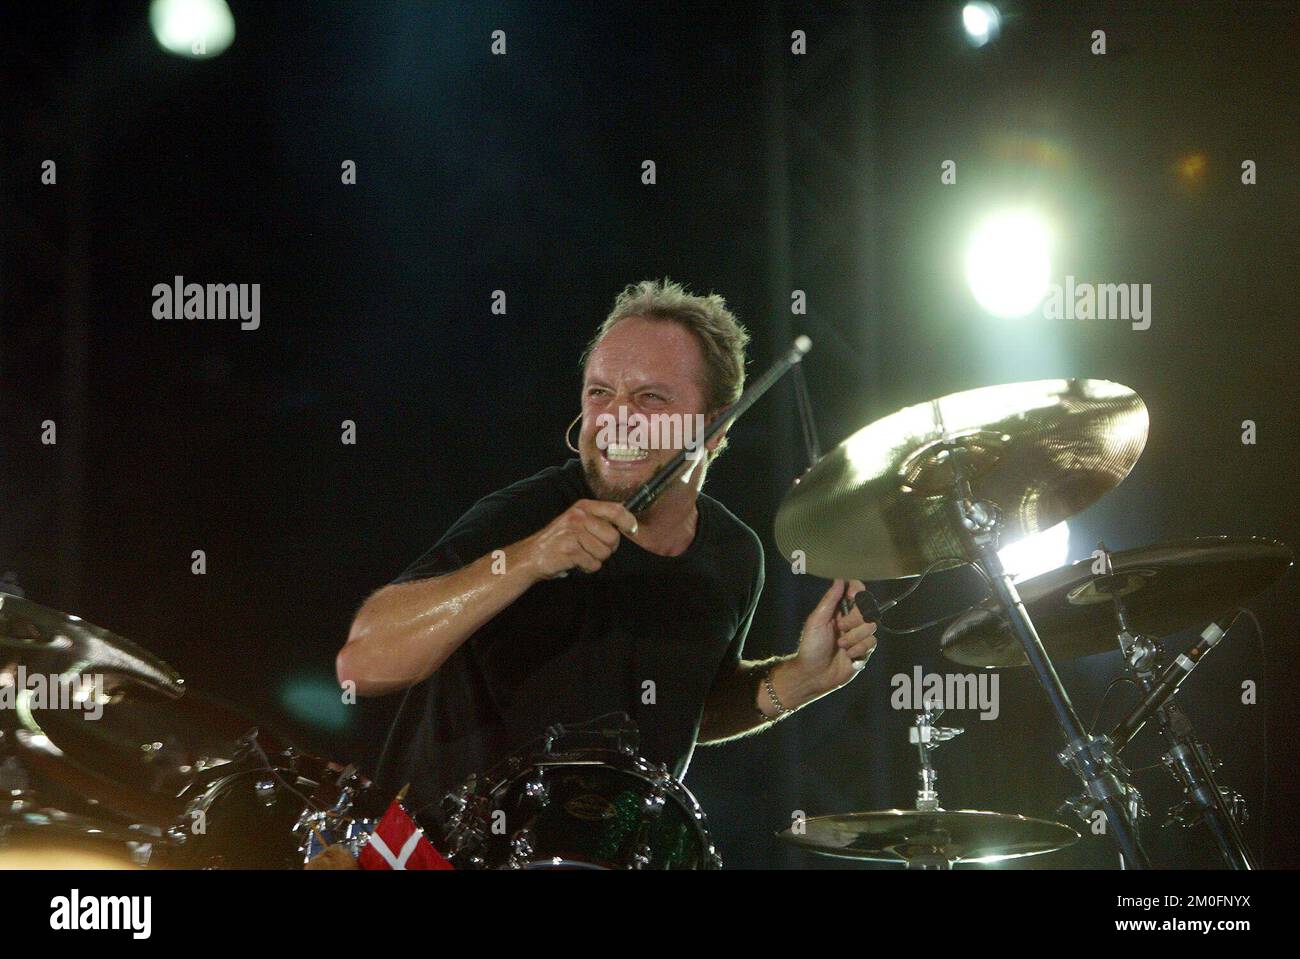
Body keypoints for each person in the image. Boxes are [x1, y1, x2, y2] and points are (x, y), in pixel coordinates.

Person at [336, 278, 877, 816]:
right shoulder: (529, 515)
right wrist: (528, 560)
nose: (617, 419)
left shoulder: (734, 554)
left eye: (650, 397)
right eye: (600, 393)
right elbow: (362, 663)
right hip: (441, 846)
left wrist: (801, 678)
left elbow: (693, 711)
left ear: (714, 427)